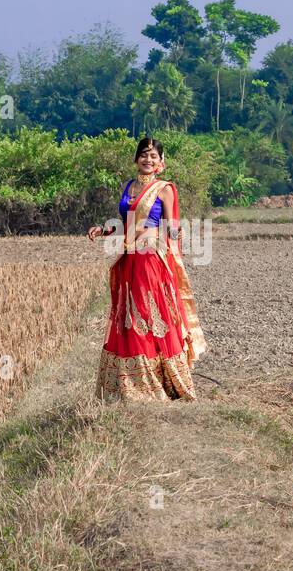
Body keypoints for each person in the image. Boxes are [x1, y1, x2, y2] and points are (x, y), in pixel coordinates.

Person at [88, 137, 206, 400]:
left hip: (151, 257)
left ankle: (162, 381)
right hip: (130, 257)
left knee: (149, 313)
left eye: (153, 156)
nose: (148, 160)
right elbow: (125, 224)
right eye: (143, 154)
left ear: (161, 163)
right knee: (129, 315)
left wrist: (167, 232)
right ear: (136, 159)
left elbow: (172, 227)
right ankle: (131, 384)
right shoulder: (129, 186)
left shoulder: (165, 189)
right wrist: (104, 230)